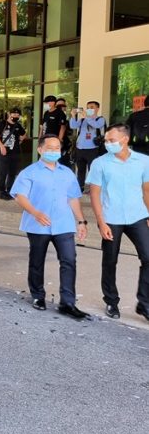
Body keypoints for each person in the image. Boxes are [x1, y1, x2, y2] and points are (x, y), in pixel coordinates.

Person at [10, 134, 89, 319]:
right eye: (50, 148)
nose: (54, 151)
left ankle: (68, 303)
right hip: (38, 225)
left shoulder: (67, 173)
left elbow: (73, 198)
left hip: (64, 224)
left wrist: (81, 221)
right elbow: (20, 195)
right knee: (37, 261)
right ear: (40, 150)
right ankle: (38, 296)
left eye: (57, 148)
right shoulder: (29, 172)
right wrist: (35, 212)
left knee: (69, 261)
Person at [86, 123, 149, 321]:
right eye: (106, 140)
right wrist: (101, 222)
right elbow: (94, 195)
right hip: (110, 218)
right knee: (110, 260)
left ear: (125, 140)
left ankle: (144, 303)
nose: (107, 143)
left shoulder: (144, 161)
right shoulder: (100, 163)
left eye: (111, 140)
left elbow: (146, 190)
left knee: (148, 257)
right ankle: (111, 301)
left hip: (137, 216)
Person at [70, 101, 106, 192]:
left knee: (92, 170)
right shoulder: (83, 120)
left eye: (92, 107)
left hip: (93, 149)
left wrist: (87, 116)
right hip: (80, 148)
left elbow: (96, 125)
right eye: (88, 107)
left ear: (97, 109)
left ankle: (93, 189)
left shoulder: (100, 119)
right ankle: (80, 187)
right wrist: (73, 115)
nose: (89, 109)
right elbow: (73, 125)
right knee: (80, 170)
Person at [0, 107, 27, 200]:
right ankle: (2, 192)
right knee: (3, 172)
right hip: (4, 152)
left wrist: (21, 139)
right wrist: (1, 146)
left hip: (15, 152)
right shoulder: (2, 124)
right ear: (9, 114)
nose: (16, 116)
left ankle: (9, 190)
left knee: (12, 173)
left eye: (18, 114)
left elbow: (24, 133)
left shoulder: (18, 125)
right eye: (14, 114)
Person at [40, 95, 68, 166]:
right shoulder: (46, 113)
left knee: (55, 160)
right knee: (45, 159)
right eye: (45, 103)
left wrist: (59, 140)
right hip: (46, 140)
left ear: (53, 103)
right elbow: (43, 126)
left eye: (47, 102)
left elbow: (63, 127)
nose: (45, 104)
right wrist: (40, 137)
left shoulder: (59, 113)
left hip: (55, 140)